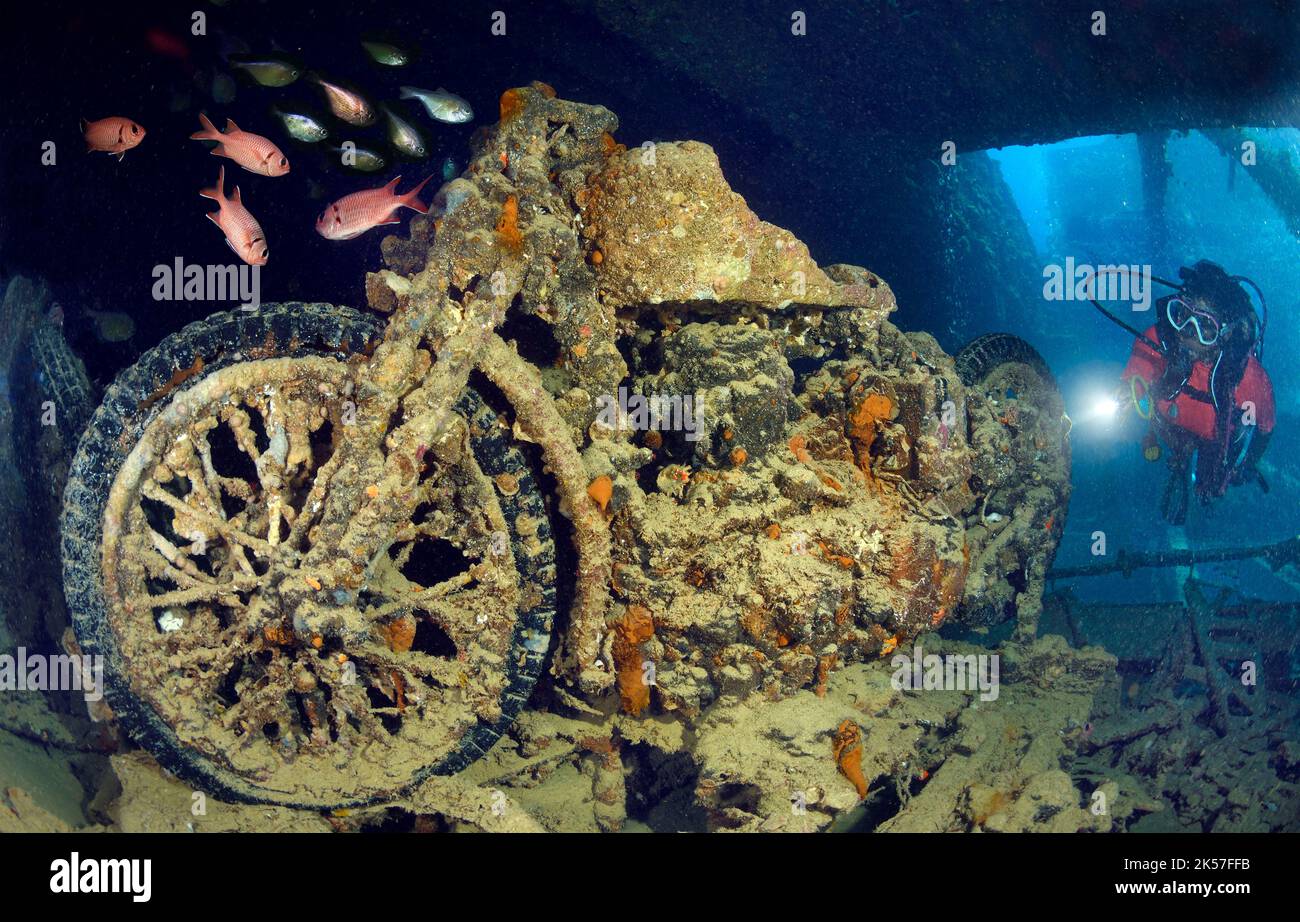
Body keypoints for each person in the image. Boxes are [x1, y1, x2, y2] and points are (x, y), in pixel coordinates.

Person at [1119, 261, 1273, 524]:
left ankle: (1204, 498)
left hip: (1215, 441)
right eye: (1183, 315)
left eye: (1206, 326)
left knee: (1210, 490)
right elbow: (1135, 375)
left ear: (1226, 333)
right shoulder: (1158, 340)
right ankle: (1180, 465)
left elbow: (1264, 428)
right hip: (1169, 428)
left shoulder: (1251, 378)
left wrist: (1247, 464)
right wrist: (1122, 395)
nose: (1189, 333)